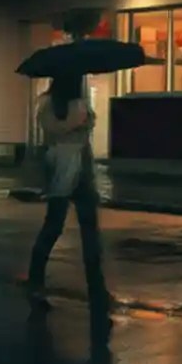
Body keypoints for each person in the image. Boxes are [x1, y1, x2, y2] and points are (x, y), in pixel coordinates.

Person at [27, 73, 107, 313]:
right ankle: (38, 279)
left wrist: (81, 121)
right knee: (63, 225)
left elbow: (78, 127)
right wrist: (79, 121)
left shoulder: (59, 104)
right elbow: (61, 128)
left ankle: (95, 287)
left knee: (79, 228)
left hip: (76, 165)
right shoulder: (54, 105)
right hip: (66, 166)